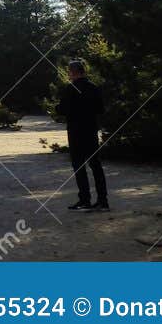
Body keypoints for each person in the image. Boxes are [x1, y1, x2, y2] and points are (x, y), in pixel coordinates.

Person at [56, 59, 108, 211]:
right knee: (96, 165)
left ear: (73, 72)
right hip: (91, 129)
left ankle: (85, 199)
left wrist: (59, 108)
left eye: (69, 71)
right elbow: (101, 109)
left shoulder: (70, 89)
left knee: (79, 165)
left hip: (75, 131)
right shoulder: (93, 87)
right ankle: (103, 200)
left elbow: (62, 109)